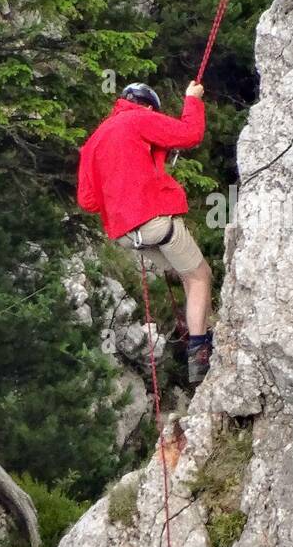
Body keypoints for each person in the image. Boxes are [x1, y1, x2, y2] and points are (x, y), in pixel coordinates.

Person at [77, 81, 214, 385]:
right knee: (200, 275)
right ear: (149, 106)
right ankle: (200, 356)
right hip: (154, 221)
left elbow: (87, 201)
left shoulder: (95, 140)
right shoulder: (139, 118)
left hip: (126, 234)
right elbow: (191, 134)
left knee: (186, 273)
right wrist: (192, 100)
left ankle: (199, 339)